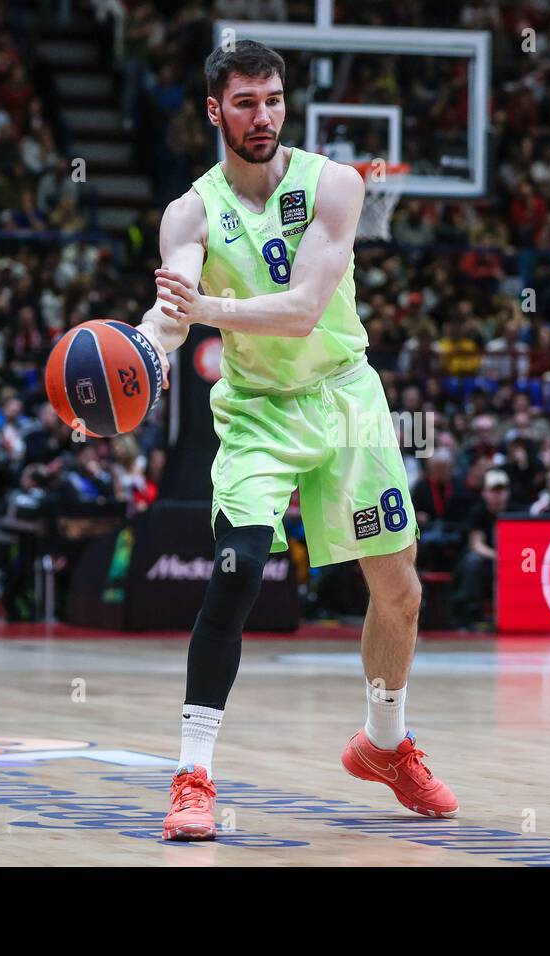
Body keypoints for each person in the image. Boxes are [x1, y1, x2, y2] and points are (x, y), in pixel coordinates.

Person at [134, 41, 457, 840]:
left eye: (272, 99)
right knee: (239, 569)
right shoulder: (192, 211)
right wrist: (143, 347)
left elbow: (306, 306)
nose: (262, 116)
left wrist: (206, 311)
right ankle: (192, 776)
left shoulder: (336, 184)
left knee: (401, 592)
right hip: (258, 410)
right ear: (216, 111)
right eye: (244, 103)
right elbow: (173, 307)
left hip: (346, 397)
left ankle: (385, 744)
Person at [451, 469, 509, 628]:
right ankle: (469, 614)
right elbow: (477, 545)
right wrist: (500, 556)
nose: (498, 495)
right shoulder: (477, 513)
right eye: (494, 491)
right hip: (488, 560)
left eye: (502, 490)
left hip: (510, 561)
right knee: (473, 561)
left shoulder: (514, 512)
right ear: (484, 493)